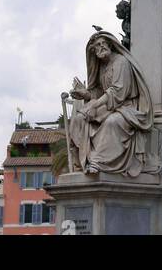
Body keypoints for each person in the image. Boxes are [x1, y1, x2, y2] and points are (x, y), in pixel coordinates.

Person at [66, 31, 155, 177]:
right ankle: (81, 162)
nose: (100, 48)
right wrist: (86, 94)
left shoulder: (121, 62)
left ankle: (97, 162)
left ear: (110, 45)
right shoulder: (102, 67)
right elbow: (101, 93)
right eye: (96, 47)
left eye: (102, 44)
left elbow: (117, 93)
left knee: (111, 123)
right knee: (79, 119)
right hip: (108, 106)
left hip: (126, 108)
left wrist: (94, 106)